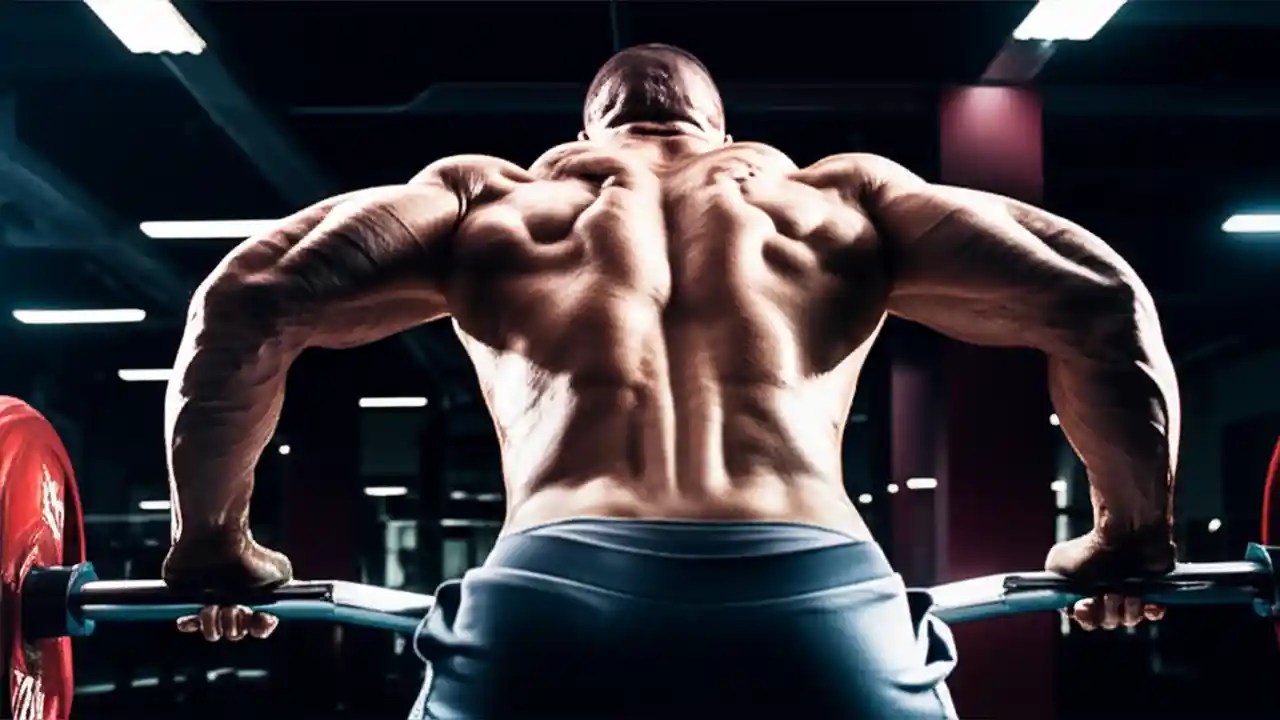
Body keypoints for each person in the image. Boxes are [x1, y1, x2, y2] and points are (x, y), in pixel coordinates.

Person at [159, 44, 1179, 718]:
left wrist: (214, 548)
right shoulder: (837, 199)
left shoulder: (487, 199)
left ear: (589, 125)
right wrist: (1128, 536)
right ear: (720, 128)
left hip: (546, 622)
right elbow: (1096, 301)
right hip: (819, 616)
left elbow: (245, 303)